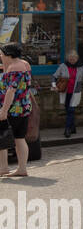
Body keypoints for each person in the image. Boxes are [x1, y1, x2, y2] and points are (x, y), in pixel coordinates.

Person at [1, 43, 35, 177]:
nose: (1, 56)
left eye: (2, 54)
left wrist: (4, 110)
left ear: (9, 55)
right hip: (24, 107)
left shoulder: (14, 68)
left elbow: (11, 90)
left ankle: (3, 168)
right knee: (19, 138)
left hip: (12, 109)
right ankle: (22, 168)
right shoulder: (24, 64)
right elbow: (9, 73)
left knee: (2, 137)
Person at [52, 48, 83, 137]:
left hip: (75, 92)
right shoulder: (63, 66)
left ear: (77, 58)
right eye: (70, 59)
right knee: (68, 110)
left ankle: (67, 129)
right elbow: (55, 76)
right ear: (67, 59)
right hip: (65, 91)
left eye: (73, 59)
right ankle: (73, 127)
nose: (72, 61)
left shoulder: (81, 67)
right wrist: (54, 86)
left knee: (71, 110)